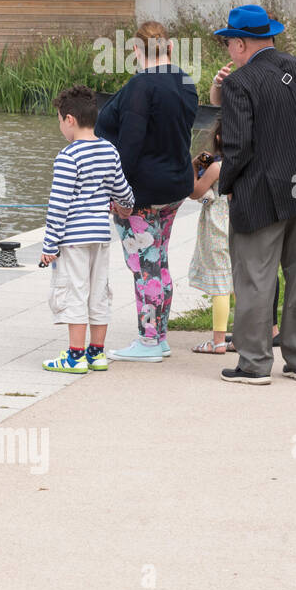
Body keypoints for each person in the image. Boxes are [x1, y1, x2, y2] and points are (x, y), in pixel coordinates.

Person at [212, 4, 296, 384]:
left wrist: (230, 189)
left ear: (240, 44)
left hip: (260, 192)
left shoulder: (239, 83)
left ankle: (254, 364)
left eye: (228, 43)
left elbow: (238, 147)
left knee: (256, 276)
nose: (228, 51)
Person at [94, 20, 197, 362]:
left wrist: (118, 195)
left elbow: (130, 145)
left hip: (141, 194)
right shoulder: (184, 80)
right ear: (168, 48)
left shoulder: (141, 86)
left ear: (136, 51)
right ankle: (160, 336)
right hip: (175, 185)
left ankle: (149, 341)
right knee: (159, 261)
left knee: (144, 268)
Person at [40, 86, 135, 374]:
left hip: (74, 239)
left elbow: (59, 206)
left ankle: (75, 356)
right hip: (100, 236)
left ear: (70, 119)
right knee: (99, 293)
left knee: (75, 293)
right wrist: (126, 206)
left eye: (59, 120)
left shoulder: (68, 157)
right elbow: (122, 190)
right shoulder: (109, 150)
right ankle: (97, 353)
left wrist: (49, 246)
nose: (60, 127)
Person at [211, 62, 281, 351]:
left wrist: (223, 182)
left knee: (255, 266)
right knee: (259, 265)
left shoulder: (271, 77)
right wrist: (218, 85)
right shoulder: (239, 80)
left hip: (256, 183)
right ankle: (265, 329)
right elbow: (218, 103)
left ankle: (257, 332)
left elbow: (196, 187)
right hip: (252, 182)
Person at [187, 118, 231, 354]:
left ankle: (219, 340)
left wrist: (195, 166)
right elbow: (208, 197)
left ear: (218, 139)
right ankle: (244, 336)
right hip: (238, 227)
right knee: (238, 283)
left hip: (216, 230)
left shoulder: (215, 167)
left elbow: (195, 193)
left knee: (220, 287)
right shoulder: (247, 162)